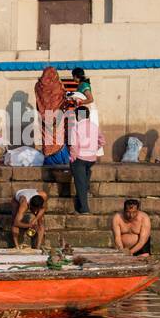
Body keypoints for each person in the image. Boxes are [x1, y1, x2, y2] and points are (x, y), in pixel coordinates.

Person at [67, 67, 104, 213]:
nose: (74, 80)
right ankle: (83, 194)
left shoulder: (83, 85)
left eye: (73, 78)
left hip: (81, 157)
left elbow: (90, 98)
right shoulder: (93, 126)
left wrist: (72, 157)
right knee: (84, 179)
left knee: (80, 179)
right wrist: (94, 149)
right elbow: (102, 139)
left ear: (76, 76)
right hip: (90, 157)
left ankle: (84, 208)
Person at [34, 65, 70, 165]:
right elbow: (63, 98)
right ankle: (62, 160)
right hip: (57, 115)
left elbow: (38, 101)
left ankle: (49, 160)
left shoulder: (38, 86)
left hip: (44, 115)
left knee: (47, 139)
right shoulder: (57, 85)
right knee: (58, 137)